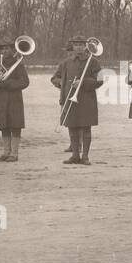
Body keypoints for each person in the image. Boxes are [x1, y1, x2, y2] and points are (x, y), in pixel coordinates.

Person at [51, 34, 104, 165]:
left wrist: (83, 82)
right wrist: (64, 83)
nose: (78, 47)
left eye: (81, 45)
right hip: (70, 98)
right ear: (73, 46)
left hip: (87, 99)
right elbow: (54, 78)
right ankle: (75, 155)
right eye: (76, 45)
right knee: (72, 127)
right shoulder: (65, 63)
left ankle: (85, 156)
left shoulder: (93, 62)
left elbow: (100, 80)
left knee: (86, 128)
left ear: (85, 46)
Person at [0, 39, 30, 161]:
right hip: (0, 99)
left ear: (12, 50)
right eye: (2, 49)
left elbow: (25, 82)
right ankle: (6, 152)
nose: (4, 51)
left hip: (14, 99)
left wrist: (7, 83)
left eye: (7, 49)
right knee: (3, 125)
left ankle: (14, 154)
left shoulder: (18, 65)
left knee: (15, 125)